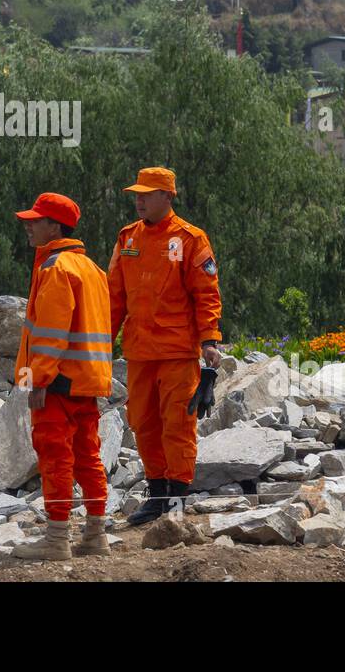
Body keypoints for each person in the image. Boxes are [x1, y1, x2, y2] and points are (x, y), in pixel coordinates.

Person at [108, 167, 222, 526]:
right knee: (143, 422)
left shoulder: (190, 239)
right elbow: (114, 297)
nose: (139, 200)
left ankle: (176, 498)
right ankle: (156, 494)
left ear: (167, 197)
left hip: (176, 350)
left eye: (147, 194)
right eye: (137, 194)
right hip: (140, 351)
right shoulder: (127, 238)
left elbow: (206, 293)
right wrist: (100, 344)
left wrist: (209, 339)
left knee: (178, 424)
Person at [10, 192, 113, 561]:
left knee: (55, 455)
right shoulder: (93, 269)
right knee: (88, 455)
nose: (29, 226)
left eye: (35, 221)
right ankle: (96, 534)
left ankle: (56, 540)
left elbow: (51, 334)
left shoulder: (56, 268)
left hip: (57, 383)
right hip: (87, 381)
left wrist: (36, 379)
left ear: (55, 227)